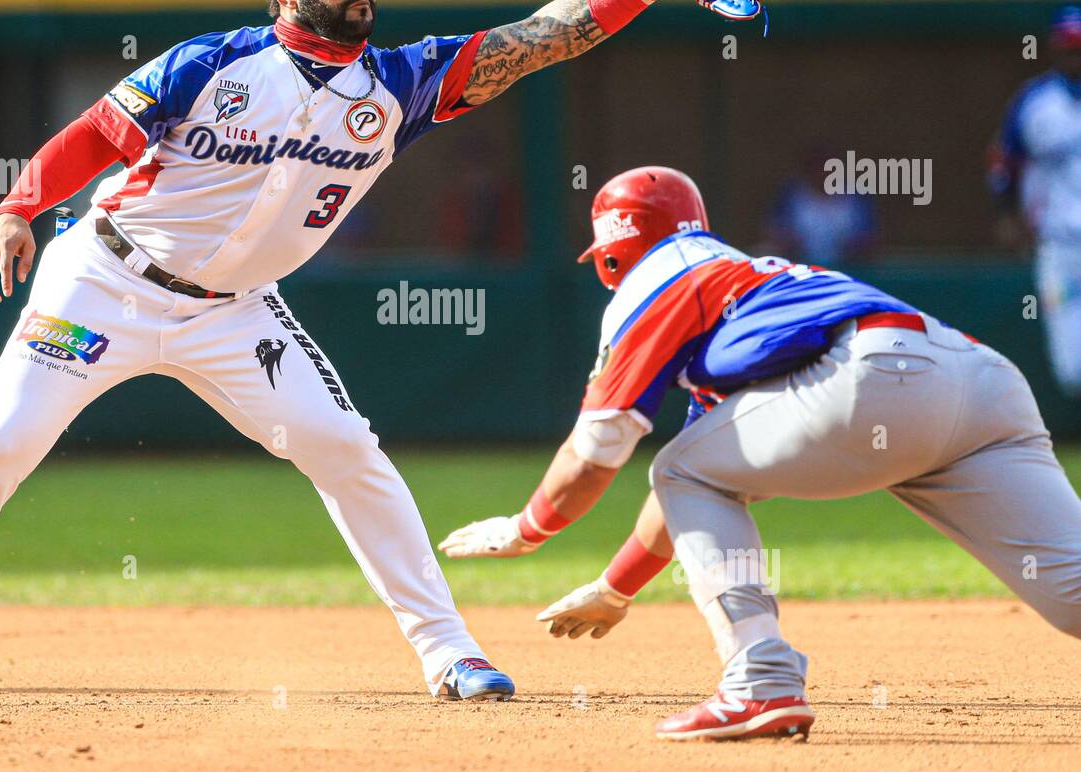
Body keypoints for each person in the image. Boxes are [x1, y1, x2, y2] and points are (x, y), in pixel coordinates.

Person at [0, 0, 719, 706]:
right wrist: (15, 208)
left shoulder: (400, 87)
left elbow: (539, 39)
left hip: (236, 312)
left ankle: (449, 651)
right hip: (104, 281)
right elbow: (94, 133)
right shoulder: (212, 62)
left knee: (344, 445)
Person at [439, 166, 1081, 740]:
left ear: (612, 251)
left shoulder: (656, 278)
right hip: (982, 380)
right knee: (1072, 592)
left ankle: (760, 679)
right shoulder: (743, 280)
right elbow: (695, 486)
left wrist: (526, 530)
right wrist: (613, 589)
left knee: (678, 466)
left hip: (877, 379)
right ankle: (758, 678)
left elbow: (596, 453)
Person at [990, 4, 1081, 397]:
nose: (1075, 55)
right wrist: (1006, 214)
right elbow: (1002, 162)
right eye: (1069, 46)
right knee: (1071, 369)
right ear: (1055, 49)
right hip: (1059, 246)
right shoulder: (1035, 101)